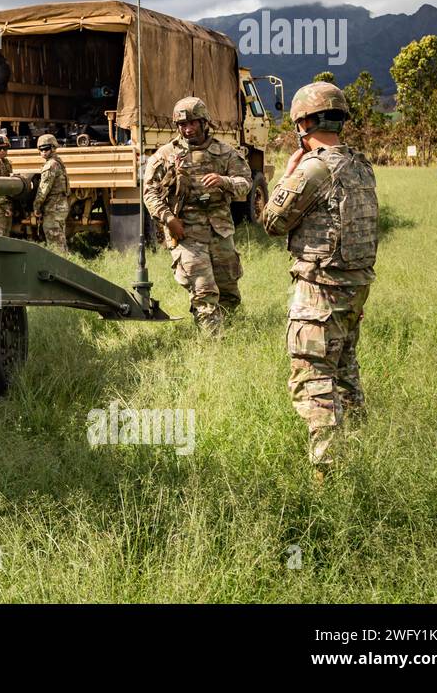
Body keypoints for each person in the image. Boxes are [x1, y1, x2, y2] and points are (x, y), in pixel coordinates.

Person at [261, 82, 378, 474]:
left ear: (304, 122)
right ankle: (362, 448)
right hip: (355, 288)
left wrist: (287, 176)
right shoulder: (361, 165)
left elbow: (273, 223)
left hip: (320, 292)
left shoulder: (313, 169)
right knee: (344, 370)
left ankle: (328, 473)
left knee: (313, 381)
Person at [142, 96, 251, 334]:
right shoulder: (166, 155)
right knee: (204, 291)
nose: (187, 129)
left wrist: (225, 181)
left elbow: (246, 183)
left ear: (204, 123)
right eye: (182, 125)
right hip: (185, 233)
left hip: (220, 231)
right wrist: (169, 219)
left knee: (228, 292)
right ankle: (213, 346)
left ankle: (232, 335)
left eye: (192, 123)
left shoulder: (224, 153)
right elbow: (149, 193)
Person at [33, 134, 70, 252]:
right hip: (59, 206)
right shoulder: (58, 162)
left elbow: (43, 190)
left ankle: (58, 269)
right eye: (41, 149)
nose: (43, 152)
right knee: (60, 240)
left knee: (55, 244)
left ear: (53, 148)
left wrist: (36, 207)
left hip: (53, 208)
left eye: (46, 148)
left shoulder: (50, 165)